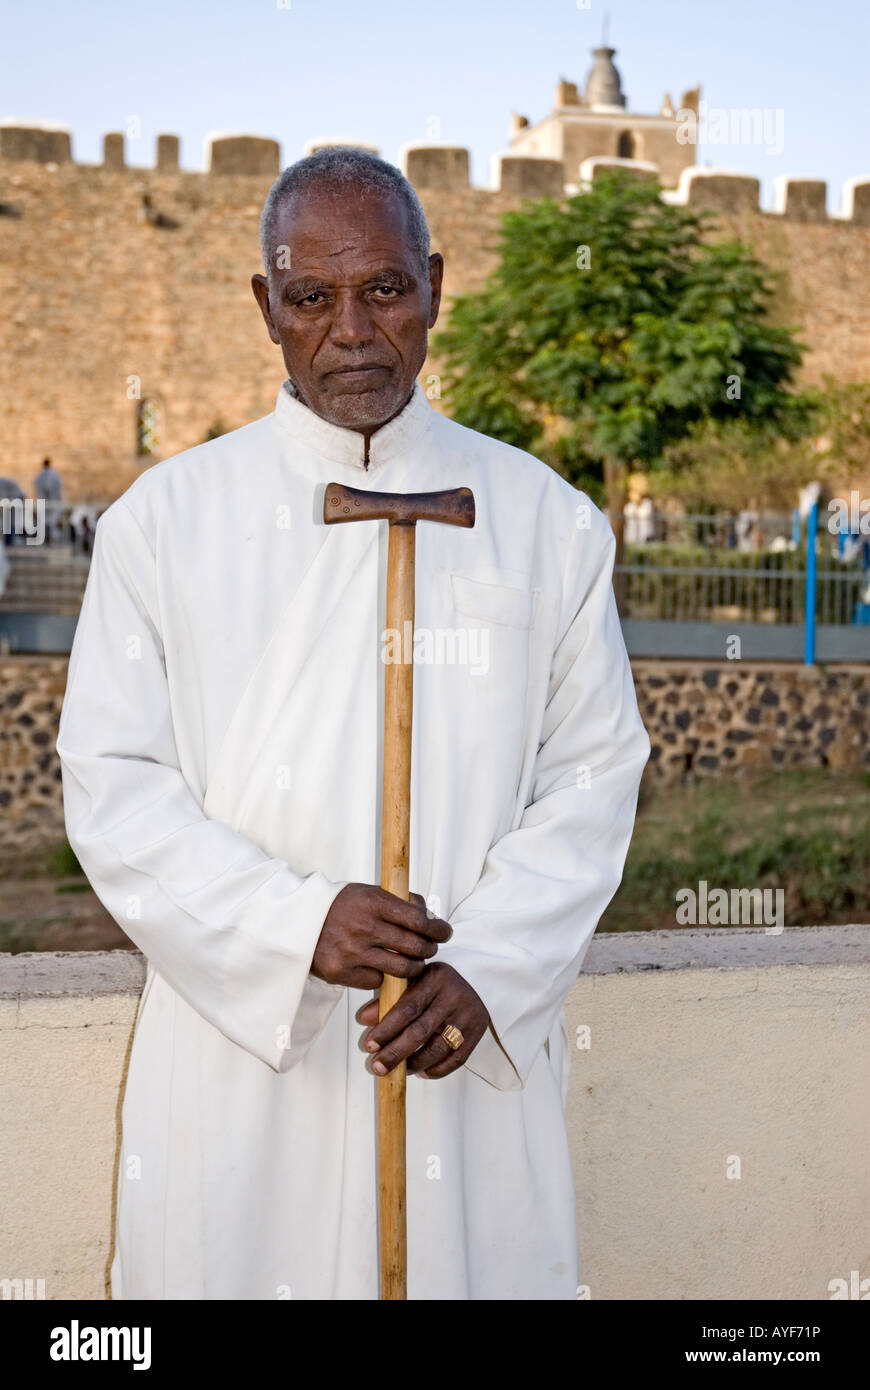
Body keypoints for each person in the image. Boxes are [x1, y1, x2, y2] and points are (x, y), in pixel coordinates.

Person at [57, 148, 649, 1301]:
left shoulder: (549, 525)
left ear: (434, 284)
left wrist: (488, 965)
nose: (353, 330)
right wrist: (293, 927)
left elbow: (592, 774)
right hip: (243, 1075)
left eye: (384, 288)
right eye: (313, 298)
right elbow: (115, 784)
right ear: (266, 308)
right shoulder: (163, 527)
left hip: (458, 1065)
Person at [34, 457, 63, 544]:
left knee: (51, 523)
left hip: (51, 503)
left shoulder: (47, 476)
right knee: (46, 523)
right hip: (47, 503)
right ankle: (47, 540)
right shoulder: (44, 476)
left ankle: (51, 540)